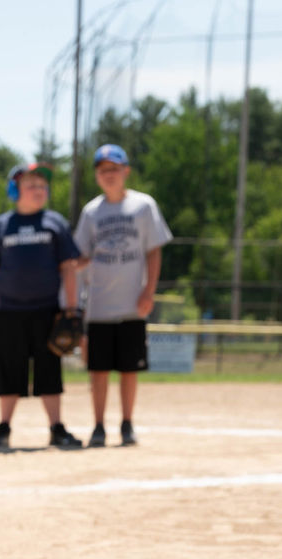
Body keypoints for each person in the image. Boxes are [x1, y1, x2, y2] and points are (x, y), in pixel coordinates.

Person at [0, 163, 83, 449]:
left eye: (43, 186)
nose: (39, 190)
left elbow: (69, 268)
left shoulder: (55, 223)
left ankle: (57, 428)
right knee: (8, 370)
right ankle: (3, 428)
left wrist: (71, 309)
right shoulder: (1, 226)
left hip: (47, 310)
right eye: (32, 185)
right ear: (15, 190)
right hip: (9, 311)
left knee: (49, 370)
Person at [74, 144, 173, 447]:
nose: (109, 175)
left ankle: (127, 424)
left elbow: (153, 251)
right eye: (103, 170)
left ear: (126, 171)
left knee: (129, 369)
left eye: (114, 169)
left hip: (132, 304)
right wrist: (77, 302)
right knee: (98, 370)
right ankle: (99, 426)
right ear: (97, 175)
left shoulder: (143, 206)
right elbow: (79, 257)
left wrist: (149, 291)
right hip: (99, 306)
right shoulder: (91, 212)